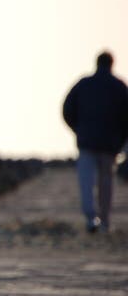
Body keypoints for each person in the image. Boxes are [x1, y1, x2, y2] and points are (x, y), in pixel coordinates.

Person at [63, 51, 128, 233]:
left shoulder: (84, 84)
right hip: (109, 144)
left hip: (87, 142)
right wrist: (121, 140)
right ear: (111, 64)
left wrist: (78, 129)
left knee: (86, 182)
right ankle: (105, 220)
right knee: (106, 182)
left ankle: (91, 218)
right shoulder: (119, 87)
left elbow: (67, 109)